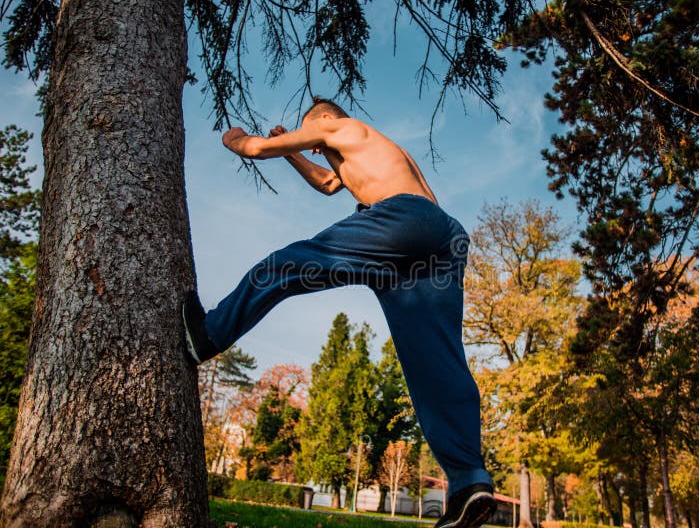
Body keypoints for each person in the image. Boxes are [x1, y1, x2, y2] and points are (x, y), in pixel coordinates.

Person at [182, 97, 496, 527]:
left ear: (325, 119)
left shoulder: (338, 126)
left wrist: (236, 140)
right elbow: (329, 183)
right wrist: (294, 154)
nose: (314, 145)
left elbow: (257, 149)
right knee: (435, 362)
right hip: (439, 243)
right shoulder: (370, 151)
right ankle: (469, 482)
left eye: (311, 134)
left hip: (404, 221)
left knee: (286, 266)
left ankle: (208, 335)